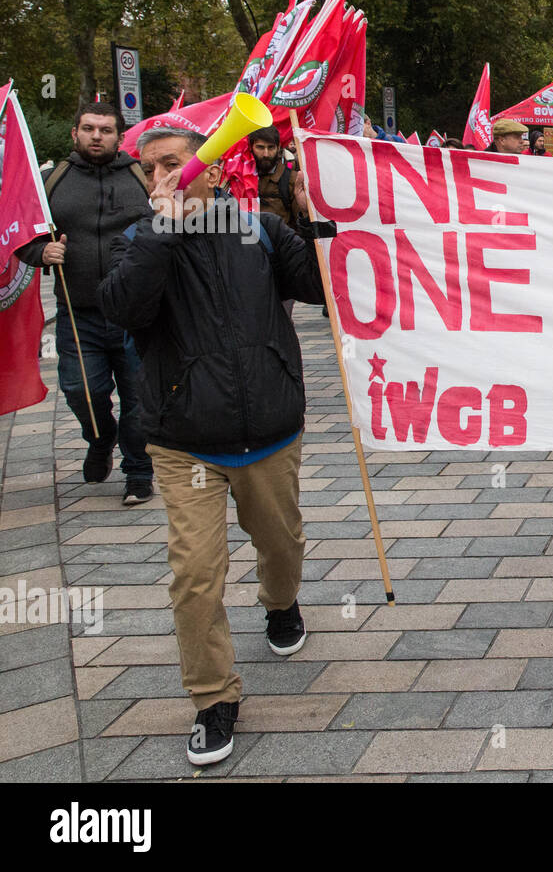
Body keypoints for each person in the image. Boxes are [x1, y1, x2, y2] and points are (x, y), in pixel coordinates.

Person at [97, 125, 333, 765]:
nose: (162, 177)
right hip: (185, 444)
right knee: (196, 576)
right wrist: (162, 231)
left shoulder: (260, 231)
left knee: (280, 542)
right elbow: (121, 308)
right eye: (150, 169)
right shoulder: (139, 242)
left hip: (271, 432)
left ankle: (281, 605)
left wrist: (319, 221)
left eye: (176, 163)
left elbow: (321, 289)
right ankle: (213, 699)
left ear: (214, 171)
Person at [12, 101, 155, 504]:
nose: (97, 136)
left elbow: (169, 226)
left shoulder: (141, 179)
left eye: (106, 130)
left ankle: (138, 473)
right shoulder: (51, 180)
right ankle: (99, 438)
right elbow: (20, 232)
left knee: (139, 397)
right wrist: (41, 253)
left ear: (119, 137)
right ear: (75, 133)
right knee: (80, 391)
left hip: (134, 315)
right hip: (78, 315)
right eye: (89, 128)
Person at [247, 126, 300, 226]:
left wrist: (304, 213)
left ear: (278, 147)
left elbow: (302, 227)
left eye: (271, 147)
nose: (266, 154)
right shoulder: (240, 178)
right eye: (260, 147)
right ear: (251, 147)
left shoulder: (291, 179)